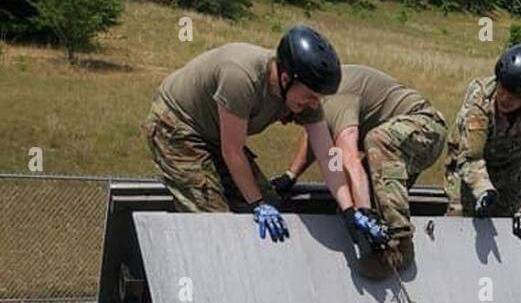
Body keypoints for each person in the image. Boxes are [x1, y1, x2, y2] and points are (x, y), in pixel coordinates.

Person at [143, 26, 387, 255]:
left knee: (274, 206)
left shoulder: (305, 97)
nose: (315, 104)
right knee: (214, 222)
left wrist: (349, 210)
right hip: (177, 126)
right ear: (285, 79)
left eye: (319, 98)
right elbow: (232, 151)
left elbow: (328, 155)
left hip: (218, 133)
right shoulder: (241, 77)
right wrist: (257, 204)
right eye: (311, 96)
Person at [277, 64, 446, 276]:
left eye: (287, 117)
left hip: (426, 128)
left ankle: (401, 242)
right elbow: (322, 144)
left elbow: (349, 157)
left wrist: (365, 213)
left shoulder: (334, 99)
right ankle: (380, 246)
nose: (285, 123)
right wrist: (291, 175)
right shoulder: (317, 97)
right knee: (350, 194)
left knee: (376, 142)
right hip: (398, 146)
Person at [444, 44, 521, 241]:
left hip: (511, 170)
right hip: (469, 169)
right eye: (503, 90)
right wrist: (482, 190)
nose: (505, 99)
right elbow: (471, 155)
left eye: (513, 98)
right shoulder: (479, 98)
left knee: (504, 231)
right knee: (459, 226)